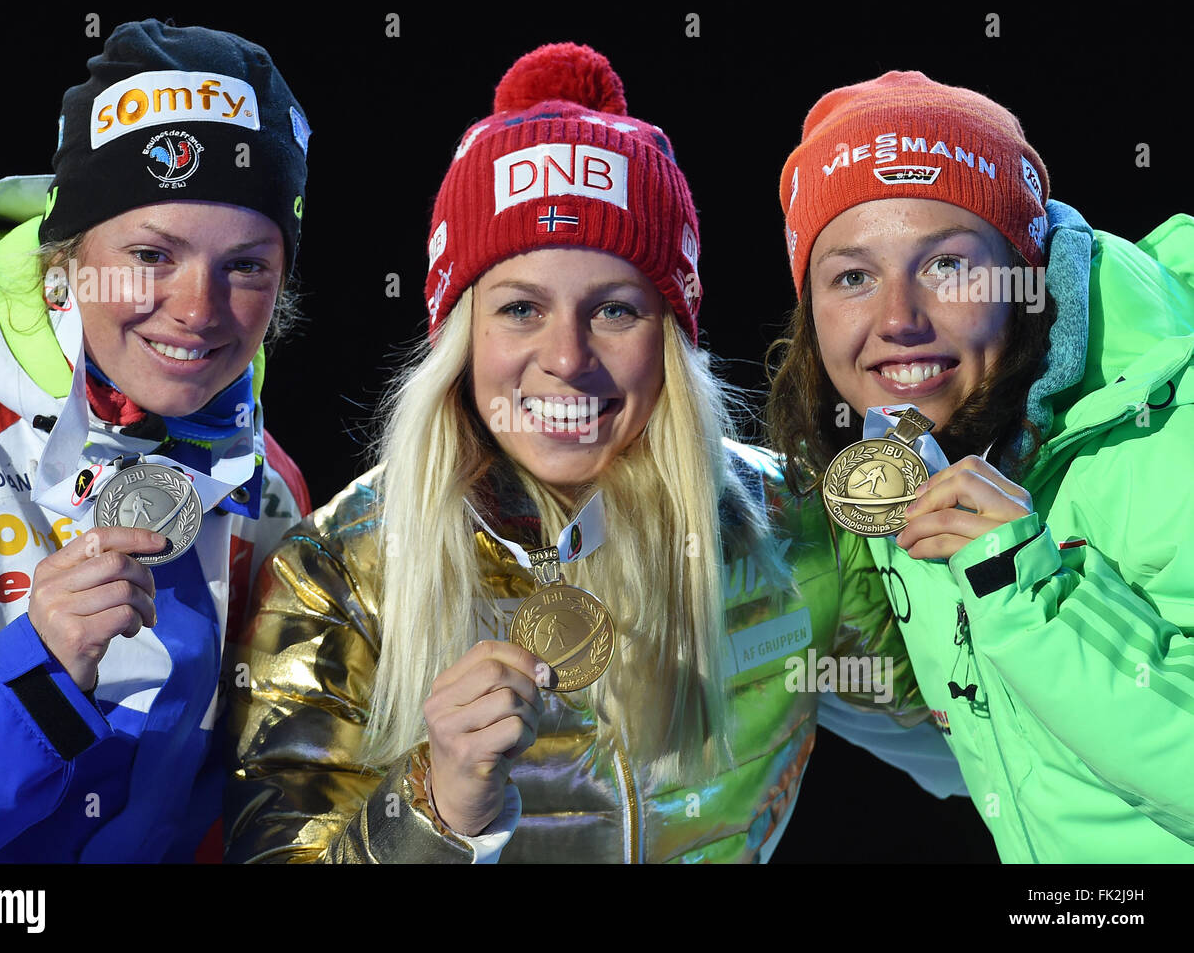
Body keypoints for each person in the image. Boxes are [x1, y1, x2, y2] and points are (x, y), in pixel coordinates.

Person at [225, 42, 961, 864]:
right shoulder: (335, 570)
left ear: (671, 341)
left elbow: (997, 743)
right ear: (461, 339)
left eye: (614, 311)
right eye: (519, 309)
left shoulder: (797, 529)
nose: (567, 359)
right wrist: (440, 803)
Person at [0, 18, 311, 861]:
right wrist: (35, 676)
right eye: (151, 254)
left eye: (247, 264)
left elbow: (255, 808)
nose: (198, 309)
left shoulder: (270, 488)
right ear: (70, 253)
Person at [768, 71, 1194, 861]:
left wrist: (1026, 592)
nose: (898, 320)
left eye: (948, 266)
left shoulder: (1172, 439)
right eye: (853, 277)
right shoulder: (908, 454)